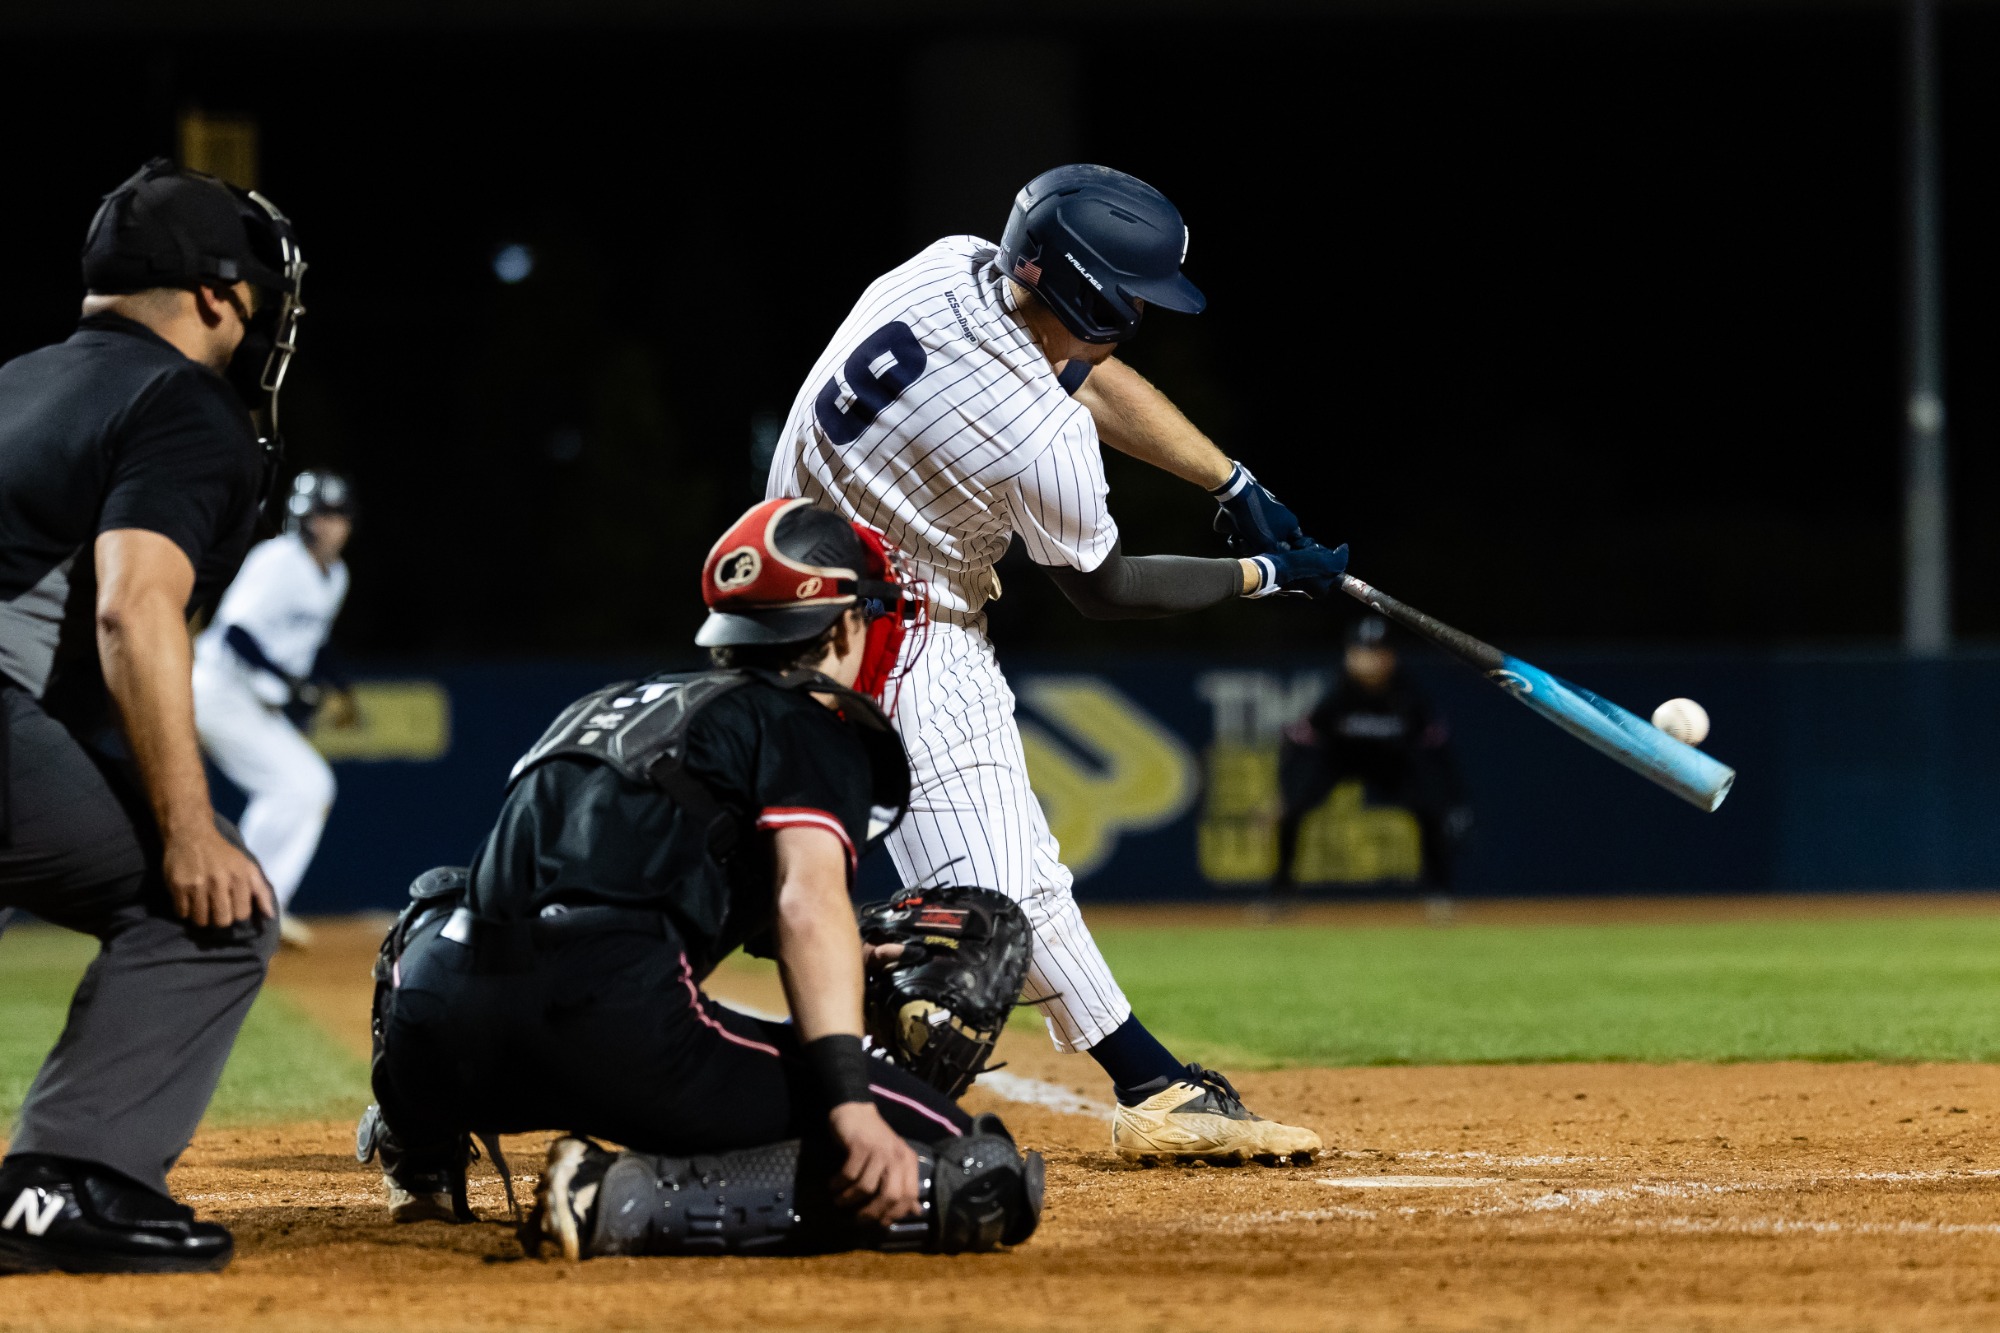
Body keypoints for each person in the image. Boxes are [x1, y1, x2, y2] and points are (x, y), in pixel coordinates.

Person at [768, 163, 1341, 1164]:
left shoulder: (943, 269)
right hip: (899, 636)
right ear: (1090, 293)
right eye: (1130, 299)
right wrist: (1260, 575)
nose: (1140, 318)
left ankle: (1151, 1082)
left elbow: (1077, 371)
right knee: (994, 908)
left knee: (749, 852)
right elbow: (1103, 586)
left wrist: (1228, 477)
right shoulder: (1035, 433)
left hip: (770, 585)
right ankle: (826, 1084)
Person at [362, 498, 1042, 1259]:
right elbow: (807, 901)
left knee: (436, 907)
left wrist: (848, 949)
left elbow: (606, 869)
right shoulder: (806, 719)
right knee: (982, 1172)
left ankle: (414, 1141)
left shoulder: (604, 705)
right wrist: (849, 1102)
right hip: (610, 1028)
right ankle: (625, 1203)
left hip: (442, 1028)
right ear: (847, 623)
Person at [0, 158, 306, 1274]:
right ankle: (68, 1181)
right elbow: (136, 609)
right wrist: (189, 830)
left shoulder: (18, 379)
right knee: (212, 915)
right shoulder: (183, 402)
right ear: (221, 296)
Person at [193, 469, 358, 950]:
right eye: (319, 515)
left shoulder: (336, 576)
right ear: (300, 519)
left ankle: (258, 901)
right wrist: (290, 683)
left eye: (337, 515)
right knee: (292, 786)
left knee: (310, 785)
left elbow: (315, 642)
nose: (328, 525)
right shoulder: (278, 560)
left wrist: (341, 689)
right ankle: (250, 901)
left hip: (248, 699)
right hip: (218, 690)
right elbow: (235, 633)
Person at [1271, 616, 1471, 899]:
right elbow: (1297, 744)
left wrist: (1451, 798)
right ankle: (1280, 893)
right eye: (1364, 651)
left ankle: (1438, 893)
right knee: (1291, 810)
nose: (1371, 660)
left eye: (1379, 652)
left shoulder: (1410, 697)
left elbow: (1436, 750)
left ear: (1392, 656)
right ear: (1349, 655)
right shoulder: (1334, 695)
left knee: (1431, 809)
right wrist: (1284, 792)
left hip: (1390, 765)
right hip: (1338, 762)